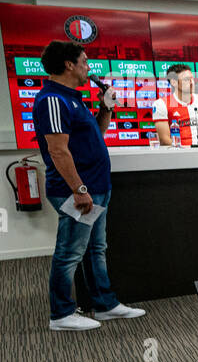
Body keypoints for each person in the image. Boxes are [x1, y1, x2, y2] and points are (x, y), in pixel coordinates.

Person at [32, 40, 144, 331]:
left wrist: (106, 107)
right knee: (69, 252)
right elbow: (58, 150)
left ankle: (105, 304)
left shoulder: (73, 97)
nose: (88, 67)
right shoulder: (52, 99)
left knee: (96, 248)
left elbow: (97, 132)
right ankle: (61, 314)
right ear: (69, 65)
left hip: (96, 186)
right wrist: (78, 189)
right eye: (84, 62)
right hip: (76, 190)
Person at [152, 64, 198, 147]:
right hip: (180, 154)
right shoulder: (161, 104)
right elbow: (164, 140)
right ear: (173, 82)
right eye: (186, 79)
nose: (191, 83)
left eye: (192, 79)